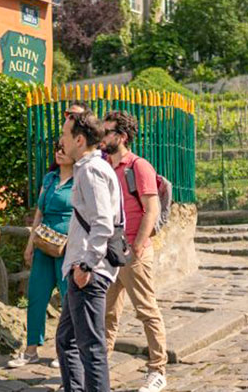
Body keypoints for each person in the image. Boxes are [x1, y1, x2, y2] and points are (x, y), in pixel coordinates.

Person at [101, 111, 168, 392]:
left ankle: (158, 370)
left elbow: (151, 208)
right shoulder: (102, 165)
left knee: (146, 309)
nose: (102, 137)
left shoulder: (138, 167)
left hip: (133, 250)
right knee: (106, 313)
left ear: (122, 137)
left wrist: (138, 246)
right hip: (108, 250)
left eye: (107, 132)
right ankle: (98, 369)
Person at [56, 111, 121, 392]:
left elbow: (103, 223)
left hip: (88, 271)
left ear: (79, 140)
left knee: (91, 348)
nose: (60, 140)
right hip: (82, 267)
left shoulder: (92, 170)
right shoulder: (88, 167)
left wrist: (86, 266)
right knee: (66, 340)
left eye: (64, 135)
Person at [8, 141, 74, 369]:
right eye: (58, 147)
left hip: (68, 247)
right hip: (44, 244)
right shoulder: (50, 179)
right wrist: (30, 244)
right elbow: (39, 213)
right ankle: (31, 350)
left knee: (68, 299)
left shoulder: (80, 180)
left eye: (65, 147)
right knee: (36, 296)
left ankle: (63, 351)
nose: (60, 151)